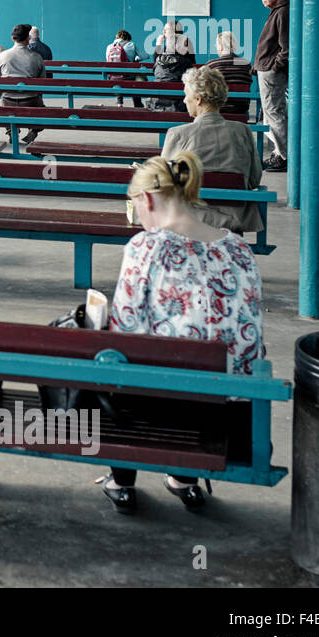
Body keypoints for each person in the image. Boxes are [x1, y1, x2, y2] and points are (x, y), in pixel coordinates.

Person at [100, 151, 265, 514]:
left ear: (146, 199)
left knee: (111, 363)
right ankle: (184, 478)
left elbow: (125, 335)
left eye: (133, 206)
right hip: (232, 421)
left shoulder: (147, 249)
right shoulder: (238, 249)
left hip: (164, 415)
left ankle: (121, 479)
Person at [161, 67, 264, 235]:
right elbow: (254, 179)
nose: (185, 100)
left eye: (187, 95)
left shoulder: (178, 134)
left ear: (199, 99)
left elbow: (165, 185)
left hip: (189, 223)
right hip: (233, 224)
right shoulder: (243, 131)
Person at [254, 0, 290, 171]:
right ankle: (279, 152)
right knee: (269, 116)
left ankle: (284, 156)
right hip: (267, 69)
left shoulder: (283, 11)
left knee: (274, 114)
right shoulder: (277, 11)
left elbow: (286, 47)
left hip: (271, 72)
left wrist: (274, 66)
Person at [0, 23, 46, 145]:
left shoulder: (3, 56)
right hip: (31, 101)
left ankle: (12, 132)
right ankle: (34, 129)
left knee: (5, 108)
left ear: (13, 39)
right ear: (28, 39)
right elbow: (42, 82)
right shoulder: (37, 57)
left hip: (8, 101)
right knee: (43, 111)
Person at [206, 30, 255, 118]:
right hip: (241, 108)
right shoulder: (246, 64)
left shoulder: (211, 65)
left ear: (220, 47)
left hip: (218, 108)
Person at [148, 21, 195, 112]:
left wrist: (158, 45)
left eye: (166, 29)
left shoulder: (183, 44)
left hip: (160, 99)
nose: (163, 31)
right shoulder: (167, 47)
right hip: (178, 97)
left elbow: (156, 62)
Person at [106, 29, 147, 108]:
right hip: (128, 77)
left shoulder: (109, 46)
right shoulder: (131, 44)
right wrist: (136, 59)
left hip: (113, 78)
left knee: (118, 76)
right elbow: (145, 56)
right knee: (138, 79)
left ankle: (119, 102)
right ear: (128, 38)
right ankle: (137, 103)